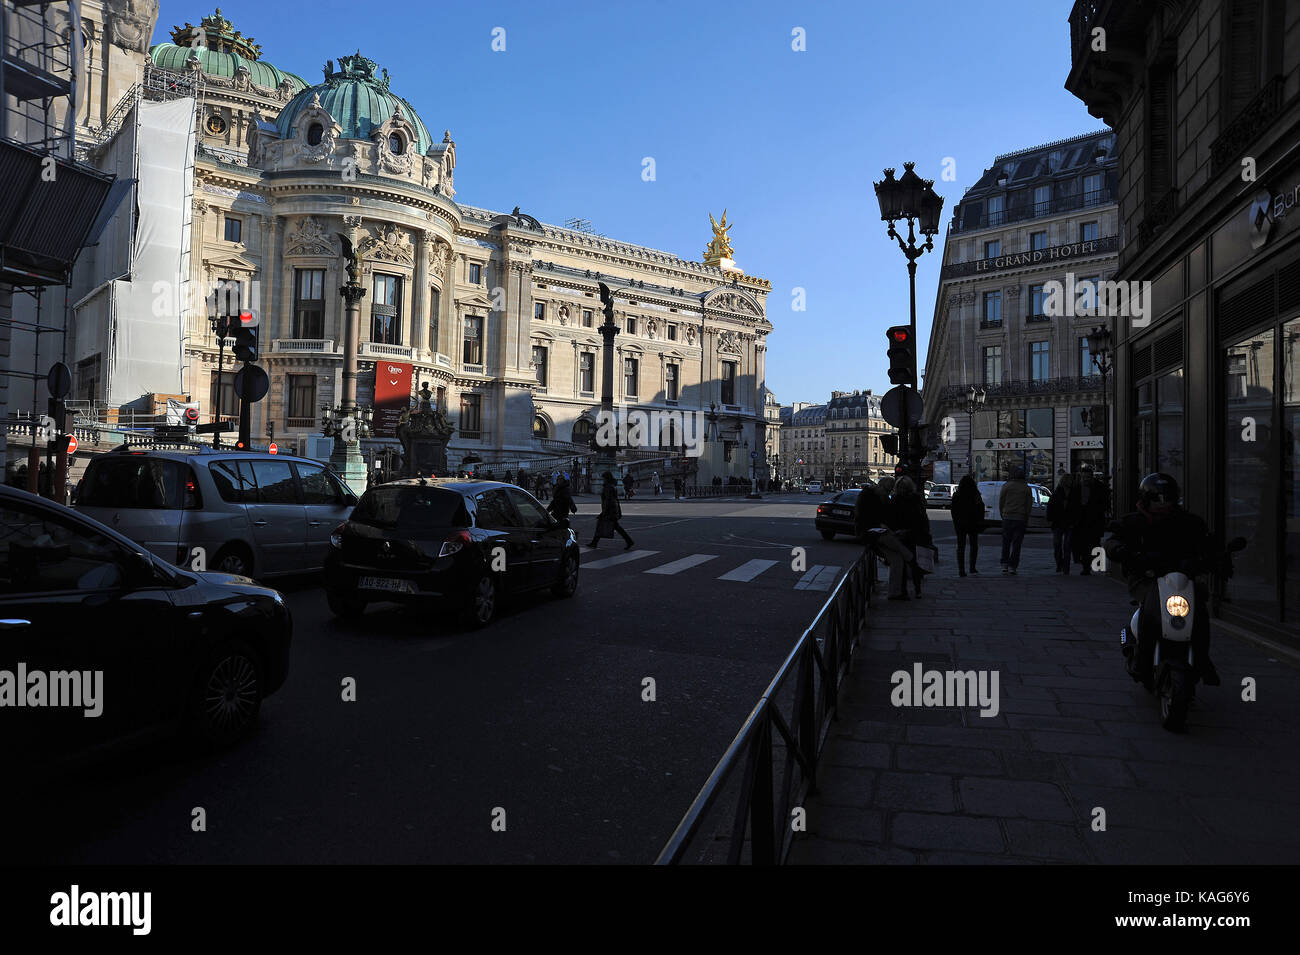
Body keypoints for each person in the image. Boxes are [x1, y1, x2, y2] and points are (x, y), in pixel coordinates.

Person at [1104, 473, 1220, 689]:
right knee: (1151, 606)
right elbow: (1114, 540)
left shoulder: (1190, 523)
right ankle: (1141, 658)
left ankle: (1203, 659)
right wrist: (1119, 550)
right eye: (1156, 499)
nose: (1162, 504)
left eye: (1166, 499)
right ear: (1146, 500)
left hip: (1181, 579)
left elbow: (1207, 544)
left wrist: (1214, 558)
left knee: (1200, 611)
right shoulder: (1133, 522)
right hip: (1146, 578)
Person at [890, 477, 934, 598]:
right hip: (913, 534)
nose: (902, 489)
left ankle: (906, 589)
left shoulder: (897, 499)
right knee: (914, 563)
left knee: (907, 563)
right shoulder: (915, 499)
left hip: (906, 534)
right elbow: (922, 518)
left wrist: (898, 530)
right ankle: (916, 589)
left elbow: (893, 518)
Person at [1072, 464, 1110, 575]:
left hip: (1095, 520)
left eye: (1088, 477)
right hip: (1081, 521)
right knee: (1083, 545)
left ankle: (1098, 565)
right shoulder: (1077, 488)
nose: (1086, 479)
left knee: (1095, 544)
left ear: (1092, 477)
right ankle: (1086, 567)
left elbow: (1105, 503)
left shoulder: (1099, 487)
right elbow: (1072, 504)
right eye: (1084, 477)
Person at [950, 475, 986, 577]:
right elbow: (981, 508)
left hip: (960, 524)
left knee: (961, 546)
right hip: (973, 523)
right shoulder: (975, 494)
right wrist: (980, 520)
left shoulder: (957, 495)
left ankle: (961, 569)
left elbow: (953, 510)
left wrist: (956, 521)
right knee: (974, 545)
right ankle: (972, 567)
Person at [998, 467, 1032, 575]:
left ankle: (1004, 564)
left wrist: (1002, 514)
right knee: (1017, 544)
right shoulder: (1026, 488)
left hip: (1007, 516)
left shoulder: (1006, 486)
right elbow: (1028, 505)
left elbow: (1001, 501)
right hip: (1020, 517)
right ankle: (1013, 566)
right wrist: (1026, 516)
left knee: (1006, 542)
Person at [590, 471, 635, 550]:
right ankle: (629, 541)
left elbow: (608, 500)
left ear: (606, 478)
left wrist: (604, 512)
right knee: (614, 527)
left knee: (601, 525)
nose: (603, 480)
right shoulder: (611, 486)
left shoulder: (608, 487)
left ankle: (594, 543)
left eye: (603, 478)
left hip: (610, 511)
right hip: (612, 510)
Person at [1047, 472, 1080, 574]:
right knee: (1057, 544)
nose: (1070, 482)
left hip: (1069, 523)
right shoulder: (1057, 492)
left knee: (1067, 546)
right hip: (1058, 522)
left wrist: (1075, 521)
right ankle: (1059, 563)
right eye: (1068, 480)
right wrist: (1050, 519)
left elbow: (1077, 509)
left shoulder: (1075, 493)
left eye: (1071, 480)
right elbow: (1051, 506)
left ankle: (1066, 567)